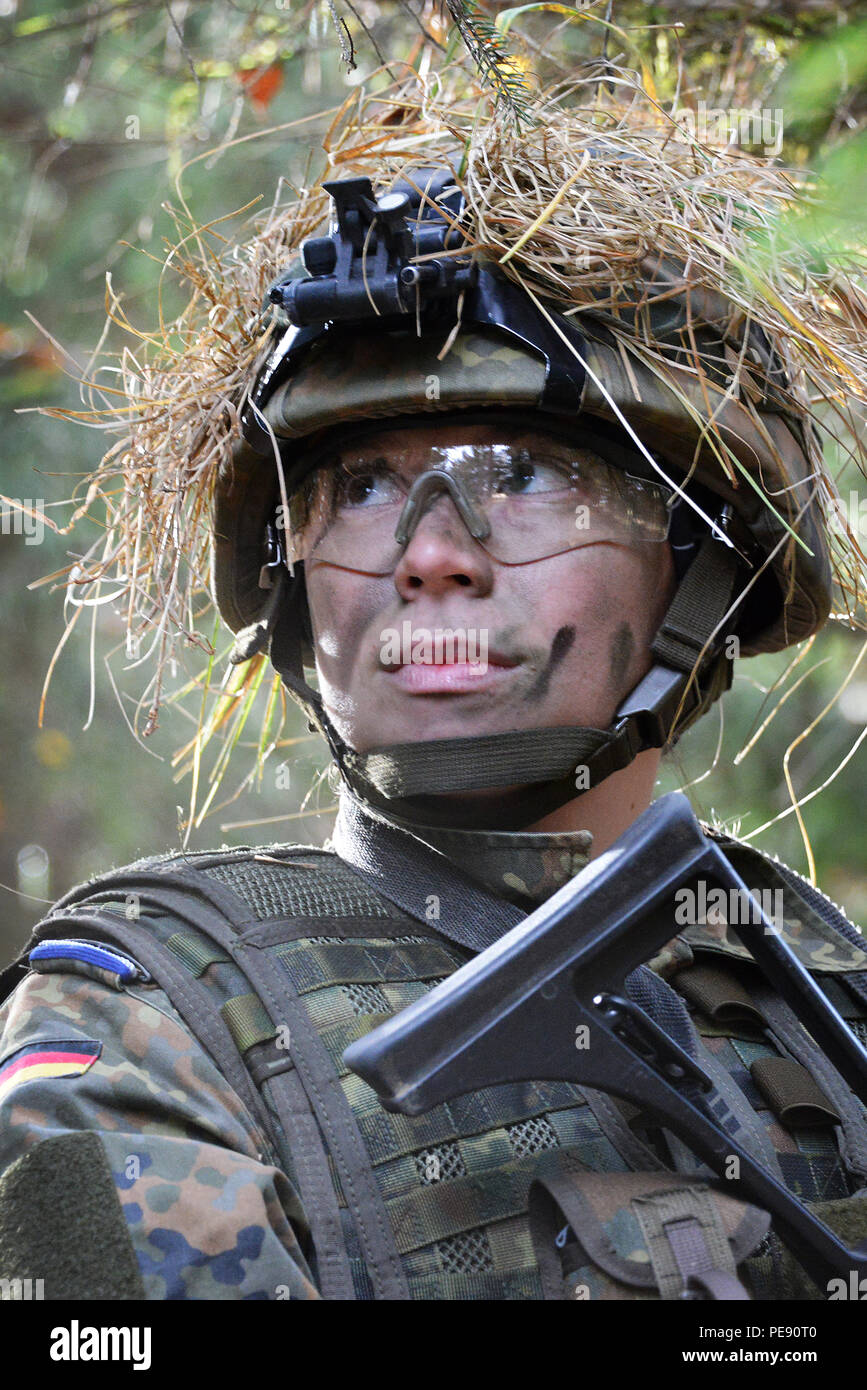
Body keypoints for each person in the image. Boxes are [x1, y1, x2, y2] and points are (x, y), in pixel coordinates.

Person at [1, 140, 866, 1304]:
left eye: (522, 475)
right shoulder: (151, 1012)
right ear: (289, 580)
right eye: (358, 489)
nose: (433, 555)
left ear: (702, 563)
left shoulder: (819, 977)